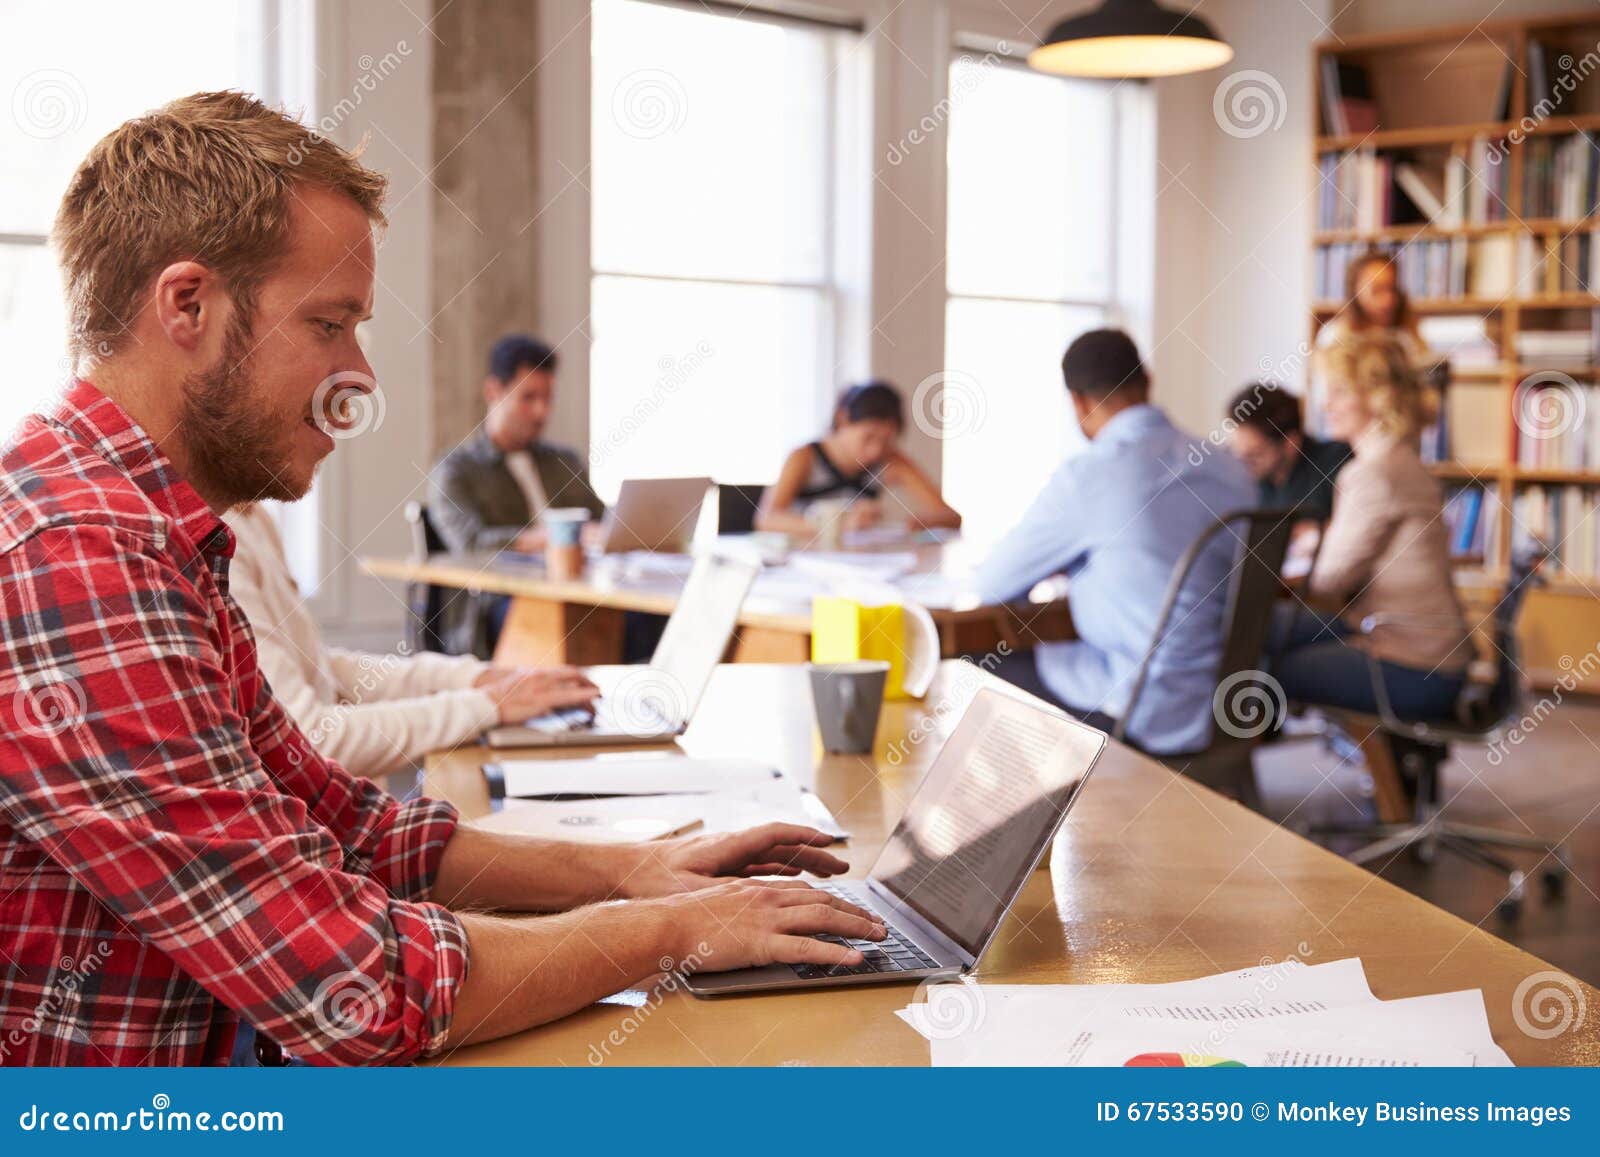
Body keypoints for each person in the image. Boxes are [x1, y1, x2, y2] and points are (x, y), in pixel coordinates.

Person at [0, 92, 884, 1067]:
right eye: (330, 324)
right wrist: (673, 929)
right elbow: (361, 990)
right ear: (188, 305)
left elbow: (353, 827)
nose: (363, 375)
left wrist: (637, 869)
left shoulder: (150, 532)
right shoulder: (80, 555)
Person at [972, 329, 1256, 755]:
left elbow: (992, 586)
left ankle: (1045, 813)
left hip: (1140, 708)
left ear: (1078, 403)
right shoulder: (1228, 466)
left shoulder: (1090, 476)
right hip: (1227, 699)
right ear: (1148, 378)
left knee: (971, 664)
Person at [223, 503, 601, 777]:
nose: (338, 426)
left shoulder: (254, 518)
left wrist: (474, 680)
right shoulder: (221, 541)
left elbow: (320, 666)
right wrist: (485, 705)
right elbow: (311, 740)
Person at [1271, 334, 1473, 721]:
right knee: (1271, 628)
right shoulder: (1402, 461)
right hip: (1436, 654)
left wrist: (1308, 549)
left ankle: (1221, 772)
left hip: (1414, 667)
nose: (1326, 404)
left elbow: (1329, 580)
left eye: (1340, 392)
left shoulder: (1372, 473)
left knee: (1268, 661)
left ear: (1378, 398)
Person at [429, 334, 606, 555]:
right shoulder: (456, 468)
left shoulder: (564, 462)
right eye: (528, 397)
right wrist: (557, 536)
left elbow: (607, 524)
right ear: (493, 391)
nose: (542, 411)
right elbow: (471, 544)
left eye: (548, 398)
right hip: (502, 587)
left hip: (573, 583)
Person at [756, 381, 961, 538]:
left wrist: (918, 523)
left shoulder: (889, 460)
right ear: (843, 419)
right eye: (868, 437)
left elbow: (951, 516)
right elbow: (766, 520)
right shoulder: (804, 457)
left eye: (886, 440)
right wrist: (840, 524)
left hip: (856, 563)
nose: (875, 450)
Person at [1226, 381, 1351, 520]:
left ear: (1290, 443)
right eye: (1235, 451)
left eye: (1254, 455)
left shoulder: (1337, 464)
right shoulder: (1255, 483)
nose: (1242, 464)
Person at [1315, 249, 1429, 364]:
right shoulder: (1334, 336)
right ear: (1355, 291)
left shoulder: (1408, 336)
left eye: (1392, 289)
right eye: (1376, 290)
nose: (1387, 299)